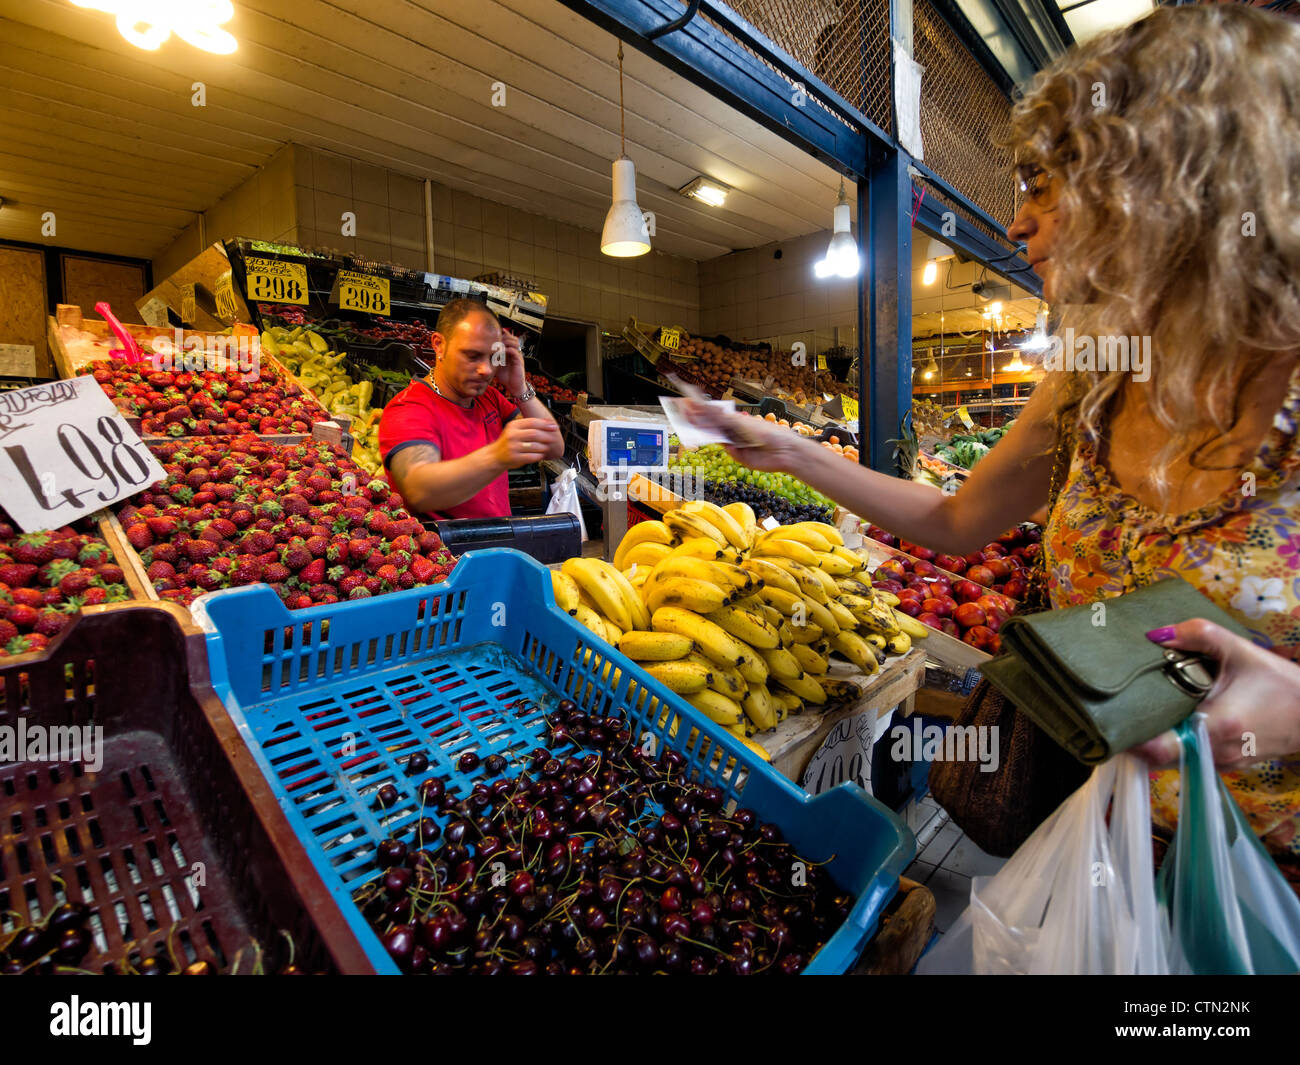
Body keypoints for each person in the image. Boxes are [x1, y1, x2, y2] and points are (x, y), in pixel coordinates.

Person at [687, 5, 1300, 884]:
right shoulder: (1092, 377)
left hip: (1274, 885)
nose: (1018, 224)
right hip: (1109, 850)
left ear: (1182, 189)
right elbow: (958, 517)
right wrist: (787, 450)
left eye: (1049, 187)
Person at [379, 298, 564, 520]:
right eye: (472, 356)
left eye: (492, 357)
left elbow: (554, 447)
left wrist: (520, 387)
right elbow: (419, 491)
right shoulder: (409, 409)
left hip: (498, 542)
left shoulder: (490, 399)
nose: (486, 370)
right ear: (439, 344)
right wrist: (497, 456)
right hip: (446, 552)